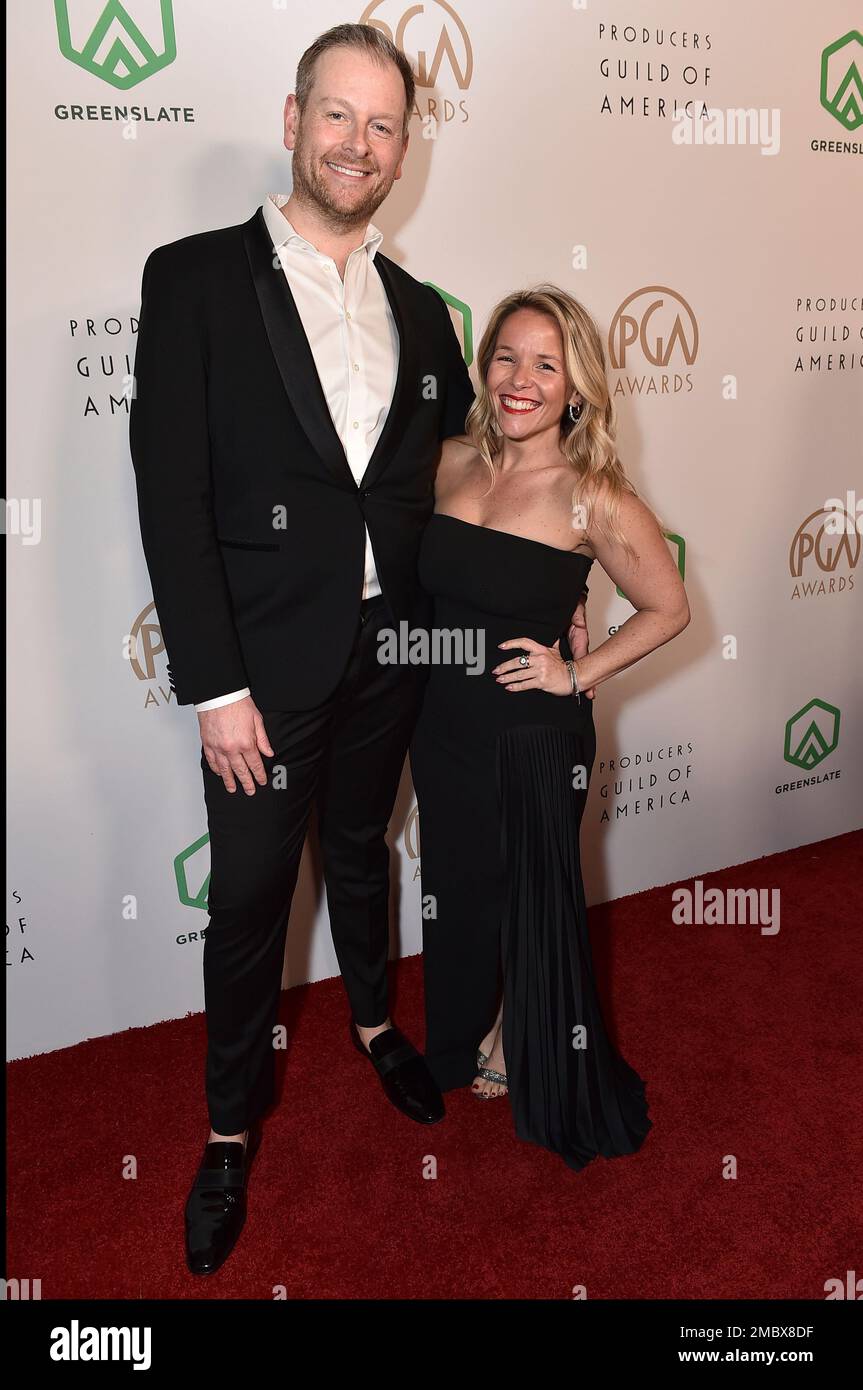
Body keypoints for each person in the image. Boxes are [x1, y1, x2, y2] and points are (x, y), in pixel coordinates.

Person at [129, 24, 486, 1275]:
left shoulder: (421, 314)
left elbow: (448, 490)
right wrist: (214, 686)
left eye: (382, 126)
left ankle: (379, 1021)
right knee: (244, 909)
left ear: (403, 151)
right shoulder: (192, 281)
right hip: (259, 683)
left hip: (390, 657)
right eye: (337, 116)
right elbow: (169, 499)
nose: (357, 143)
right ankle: (228, 1131)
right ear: (293, 121)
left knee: (361, 852)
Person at [410, 286, 690, 1171]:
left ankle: (512, 1033)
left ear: (576, 387)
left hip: (530, 734)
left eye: (544, 364)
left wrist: (577, 671)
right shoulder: (447, 459)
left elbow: (667, 606)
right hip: (441, 720)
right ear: (482, 365)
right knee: (457, 887)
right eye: (505, 357)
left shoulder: (593, 494)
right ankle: (458, 1033)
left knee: (523, 891)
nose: (519, 380)